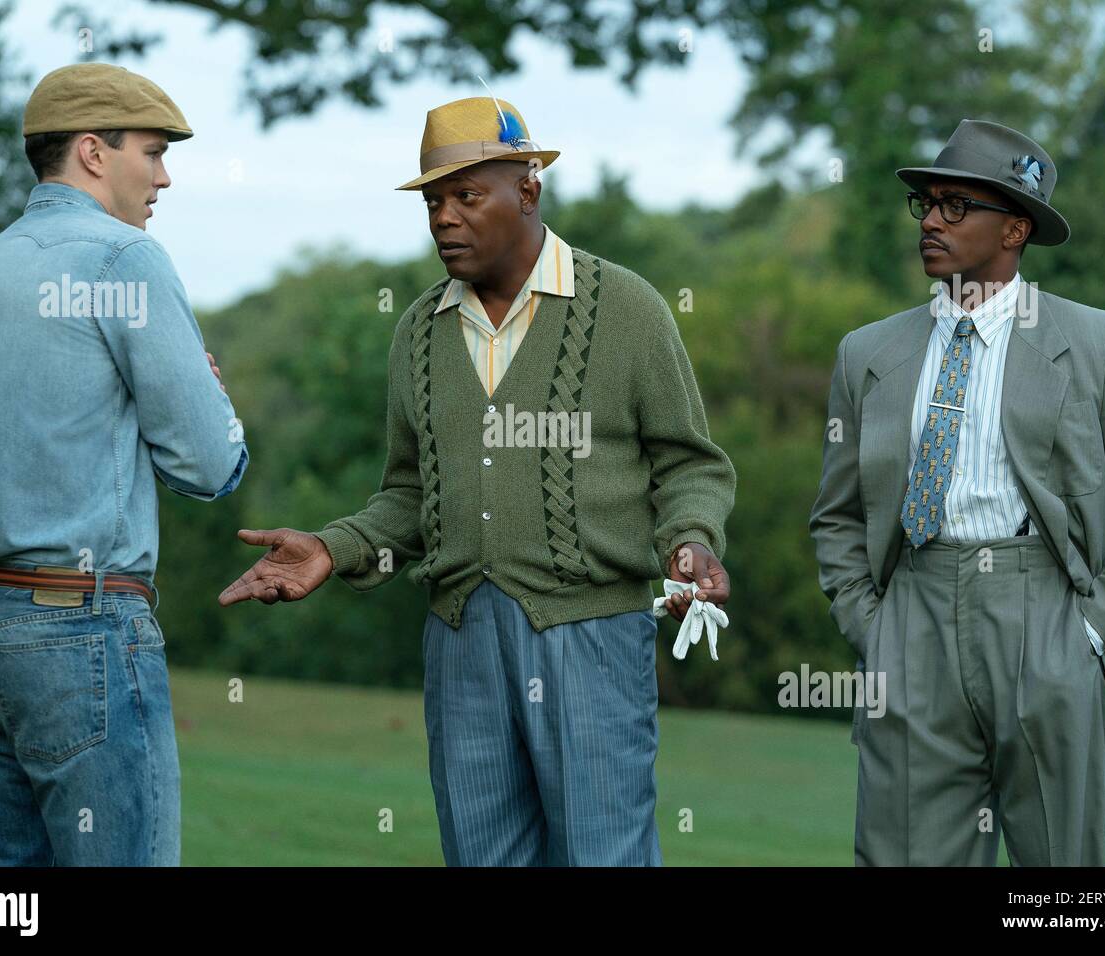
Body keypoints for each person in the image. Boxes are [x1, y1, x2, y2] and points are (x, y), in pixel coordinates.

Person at [219, 95, 736, 866]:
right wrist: (335, 548)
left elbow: (689, 461)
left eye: (467, 195)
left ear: (528, 188)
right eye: (434, 200)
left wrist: (690, 541)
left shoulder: (626, 308)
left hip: (589, 634)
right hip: (460, 640)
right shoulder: (419, 332)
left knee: (604, 854)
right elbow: (408, 494)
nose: (445, 218)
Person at [809, 119, 1105, 865]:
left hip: (1045, 619)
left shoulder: (1101, 344)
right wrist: (872, 627)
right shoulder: (867, 354)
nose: (931, 221)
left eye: (956, 206)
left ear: (1015, 229)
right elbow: (837, 516)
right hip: (910, 619)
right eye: (925, 203)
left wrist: (1086, 636)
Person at [0, 62, 248, 865]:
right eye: (152, 152)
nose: (165, 176)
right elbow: (208, 464)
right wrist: (209, 401)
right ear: (92, 151)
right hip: (81, 627)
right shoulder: (125, 261)